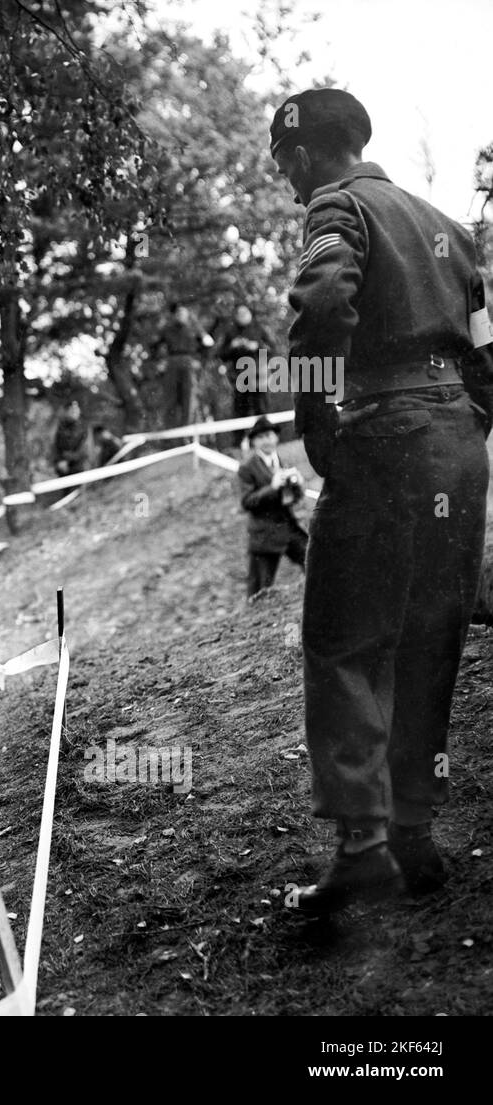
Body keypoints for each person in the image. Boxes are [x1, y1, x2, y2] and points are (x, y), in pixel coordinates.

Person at [270, 87, 493, 913]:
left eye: (285, 162)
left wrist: (316, 414)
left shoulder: (337, 206)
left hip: (386, 434)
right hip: (457, 445)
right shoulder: (450, 226)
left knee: (344, 641)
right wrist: (469, 427)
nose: (289, 181)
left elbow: (323, 303)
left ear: (304, 153)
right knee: (430, 635)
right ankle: (415, 835)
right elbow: (486, 347)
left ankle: (364, 849)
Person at [237, 415, 307, 597]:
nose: (266, 441)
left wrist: (298, 484)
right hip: (264, 535)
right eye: (260, 437)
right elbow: (246, 502)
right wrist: (272, 487)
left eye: (268, 435)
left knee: (314, 562)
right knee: (258, 591)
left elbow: (293, 498)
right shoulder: (247, 467)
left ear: (276, 437)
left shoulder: (282, 460)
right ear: (253, 442)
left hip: (288, 527)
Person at [215, 304, 277, 446]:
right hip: (240, 377)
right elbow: (221, 355)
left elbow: (273, 348)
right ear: (235, 316)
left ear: (250, 314)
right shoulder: (231, 332)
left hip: (259, 376)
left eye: (245, 312)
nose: (242, 315)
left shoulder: (259, 329)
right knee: (240, 410)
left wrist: (257, 346)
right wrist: (232, 346)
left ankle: (266, 440)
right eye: (239, 313)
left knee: (261, 409)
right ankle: (238, 443)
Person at [150, 303, 213, 428]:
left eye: (183, 313)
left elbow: (208, 345)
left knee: (189, 398)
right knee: (170, 398)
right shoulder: (166, 329)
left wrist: (200, 362)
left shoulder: (195, 329)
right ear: (174, 315)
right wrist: (159, 362)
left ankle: (187, 429)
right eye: (178, 313)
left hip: (190, 363)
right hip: (172, 363)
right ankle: (170, 430)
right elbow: (153, 345)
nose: (180, 315)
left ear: (188, 315)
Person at [49, 399, 92, 476]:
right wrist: (59, 461)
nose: (74, 411)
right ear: (66, 411)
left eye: (76, 409)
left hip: (79, 468)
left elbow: (85, 449)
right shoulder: (60, 427)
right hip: (62, 469)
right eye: (71, 409)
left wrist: (68, 460)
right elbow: (55, 446)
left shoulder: (84, 427)